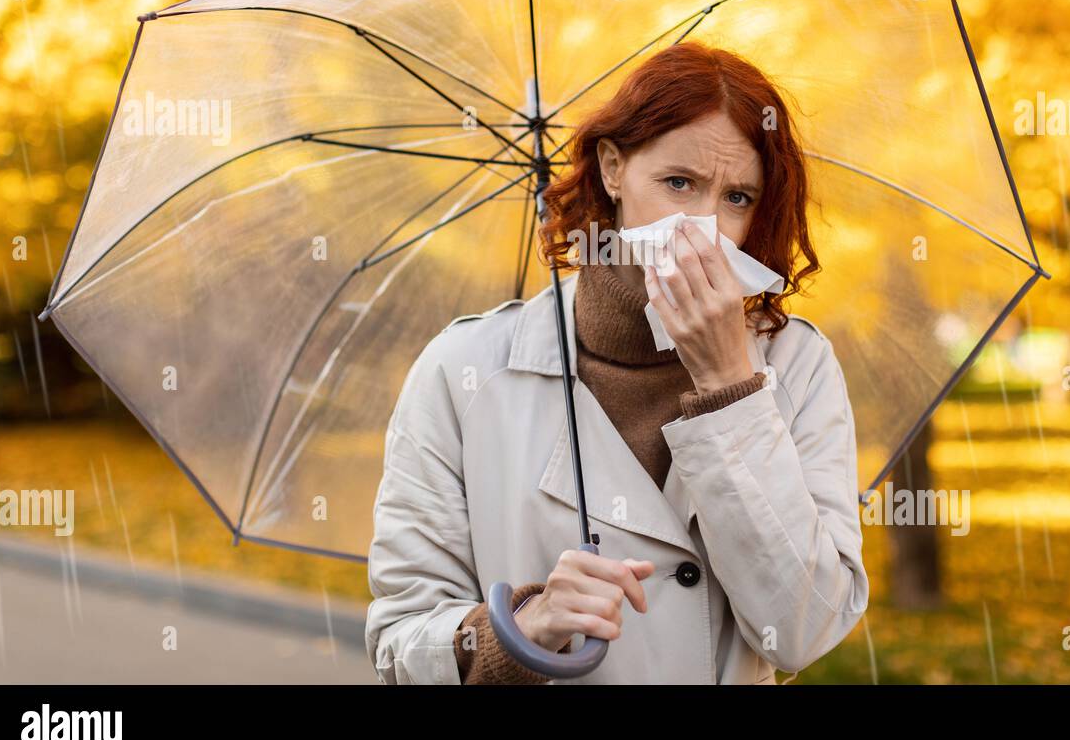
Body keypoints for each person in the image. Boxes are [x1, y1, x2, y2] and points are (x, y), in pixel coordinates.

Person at [365, 40, 868, 684]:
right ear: (612, 169)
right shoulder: (465, 371)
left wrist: (727, 385)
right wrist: (522, 631)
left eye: (737, 198)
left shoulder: (796, 367)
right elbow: (399, 645)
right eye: (678, 184)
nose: (702, 227)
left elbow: (805, 630)